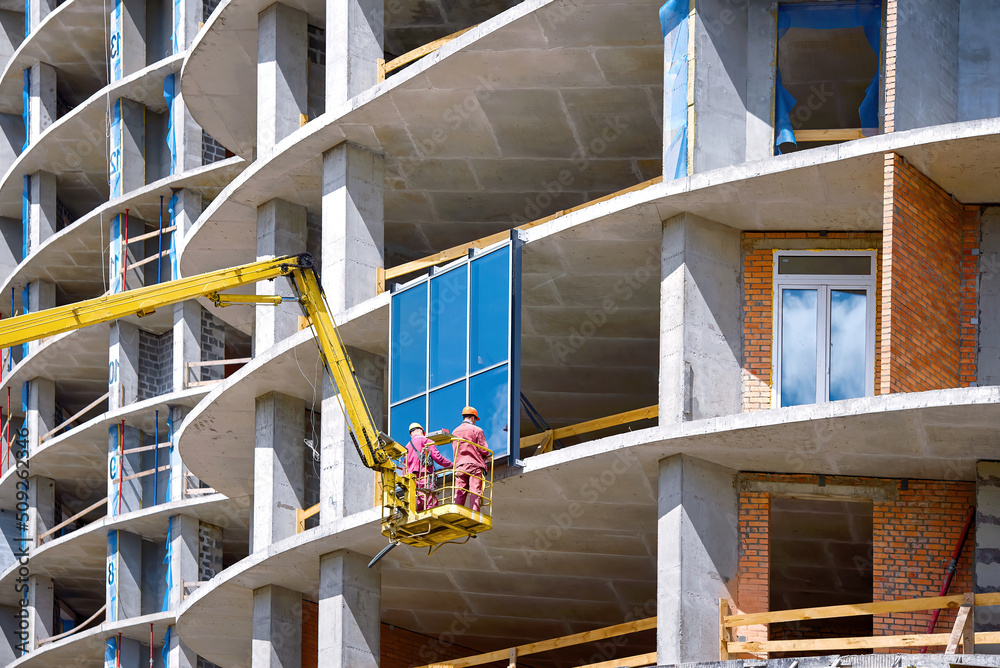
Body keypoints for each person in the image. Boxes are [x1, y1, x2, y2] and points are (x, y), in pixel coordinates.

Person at [404, 423, 452, 511]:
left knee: (417, 501)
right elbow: (437, 457)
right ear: (421, 431)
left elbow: (405, 466)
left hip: (411, 478)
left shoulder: (406, 447)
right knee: (430, 500)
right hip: (424, 475)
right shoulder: (426, 440)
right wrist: (451, 465)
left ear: (411, 434)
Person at [452, 406, 491, 512]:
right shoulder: (476, 430)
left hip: (459, 466)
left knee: (459, 492)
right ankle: (474, 513)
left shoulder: (455, 432)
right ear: (473, 418)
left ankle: (457, 512)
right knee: (474, 491)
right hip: (474, 465)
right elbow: (484, 450)